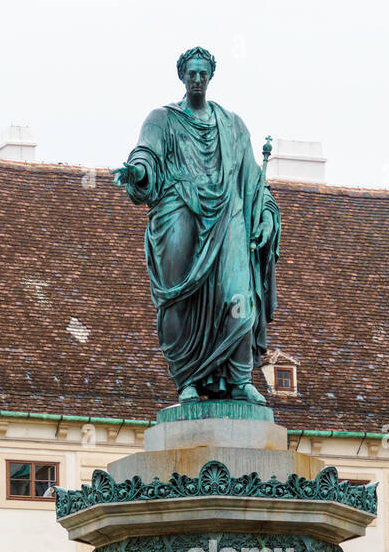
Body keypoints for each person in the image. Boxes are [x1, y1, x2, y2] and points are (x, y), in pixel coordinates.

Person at [114, 46, 279, 404]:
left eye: (204, 73)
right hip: (181, 212)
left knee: (239, 295)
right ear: (182, 76)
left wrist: (265, 214)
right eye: (192, 73)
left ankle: (239, 377)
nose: (198, 79)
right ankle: (187, 378)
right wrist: (137, 171)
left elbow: (253, 180)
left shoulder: (233, 126)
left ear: (211, 76)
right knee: (179, 300)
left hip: (229, 218)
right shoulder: (162, 119)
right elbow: (147, 154)